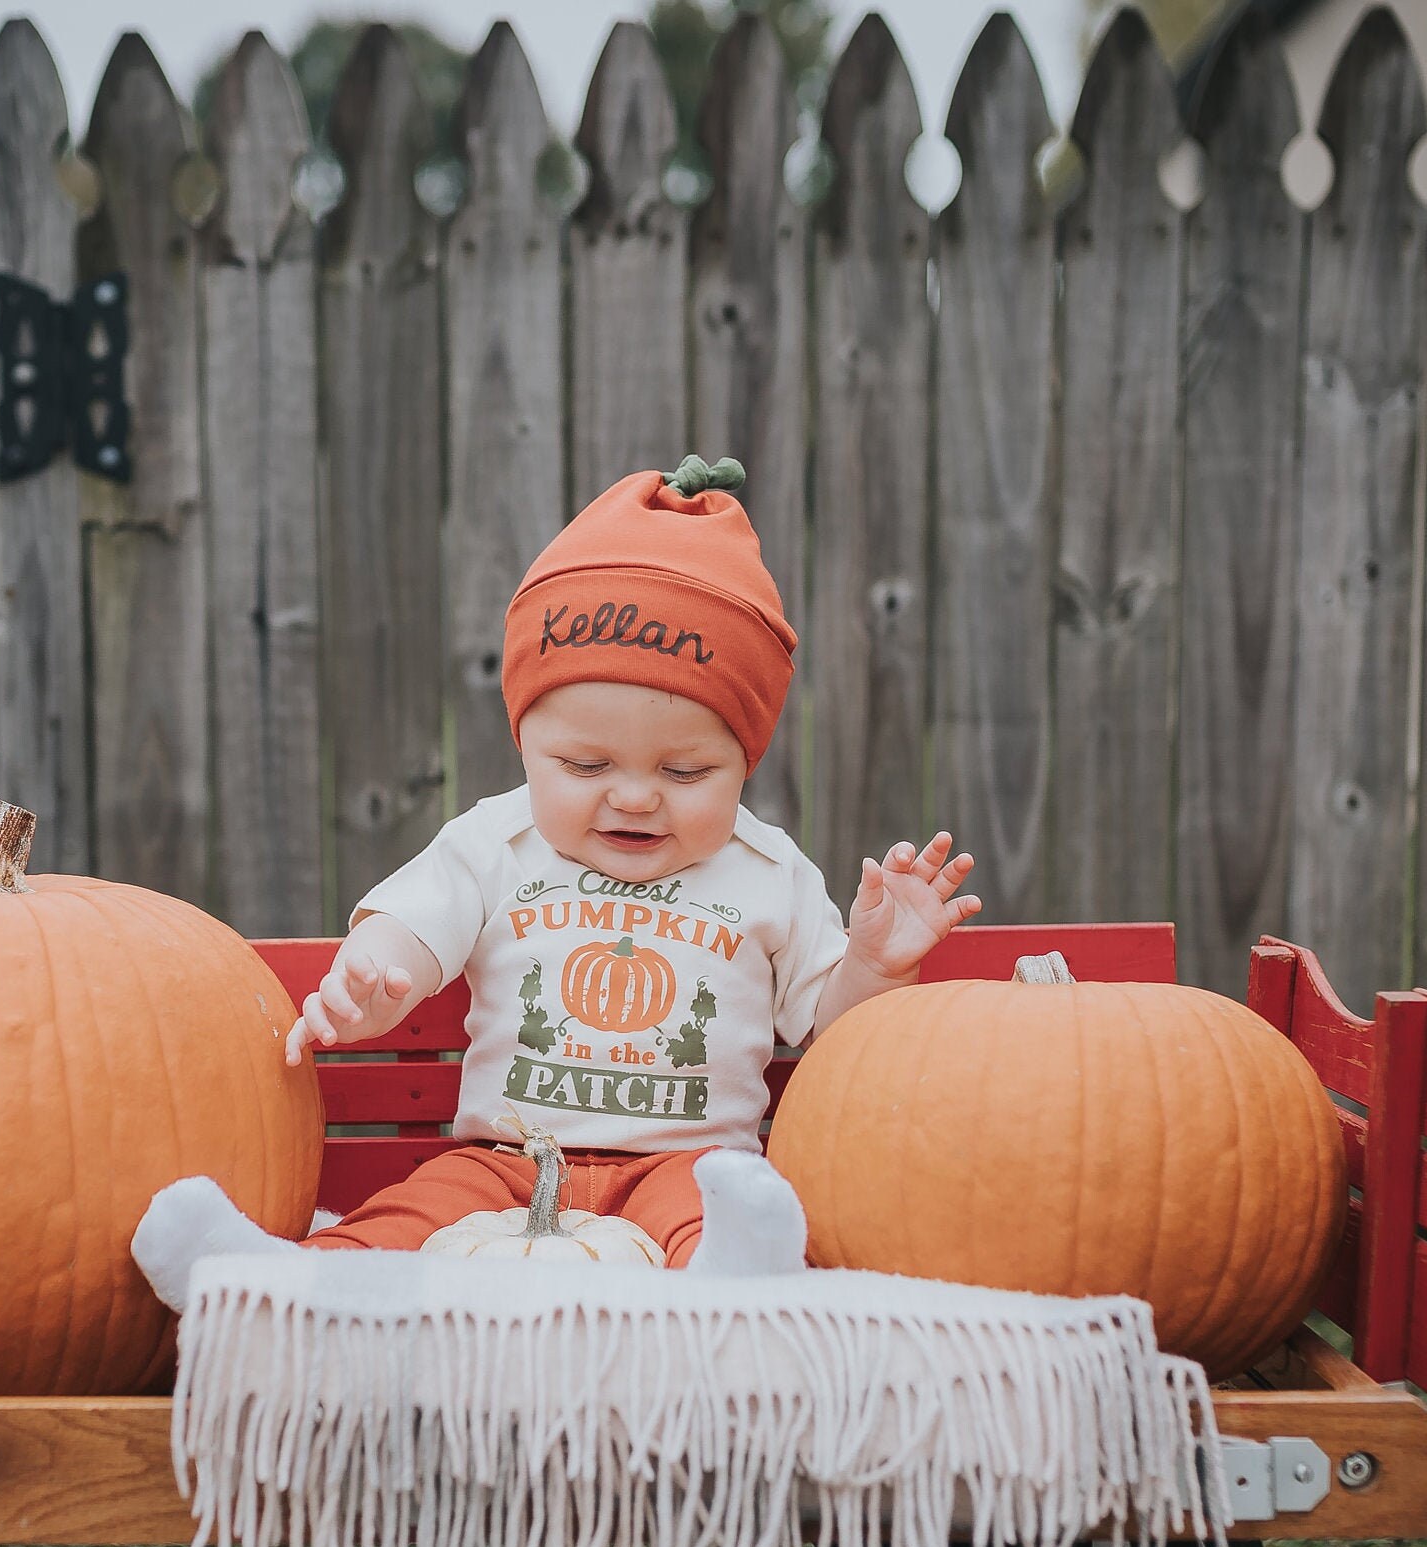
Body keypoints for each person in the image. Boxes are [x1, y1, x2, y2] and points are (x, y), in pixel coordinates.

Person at [134, 455, 977, 1295]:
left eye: (687, 773)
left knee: (715, 1217)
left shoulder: (767, 871)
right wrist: (374, 977)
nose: (638, 797)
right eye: (585, 764)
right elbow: (412, 930)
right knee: (416, 1215)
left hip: (687, 1165)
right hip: (503, 1159)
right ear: (525, 746)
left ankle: (736, 1288)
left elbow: (834, 1035)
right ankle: (271, 1285)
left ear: (744, 761)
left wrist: (874, 963)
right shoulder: (496, 843)